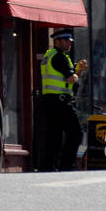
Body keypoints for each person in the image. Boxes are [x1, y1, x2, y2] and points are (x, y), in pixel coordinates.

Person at [37, 29, 86, 172]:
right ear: (57, 41)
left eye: (70, 41)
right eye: (66, 41)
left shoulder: (49, 55)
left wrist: (76, 69)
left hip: (49, 100)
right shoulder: (59, 57)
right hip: (61, 101)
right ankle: (66, 165)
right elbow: (71, 79)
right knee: (76, 133)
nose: (69, 44)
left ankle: (48, 166)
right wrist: (78, 72)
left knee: (54, 135)